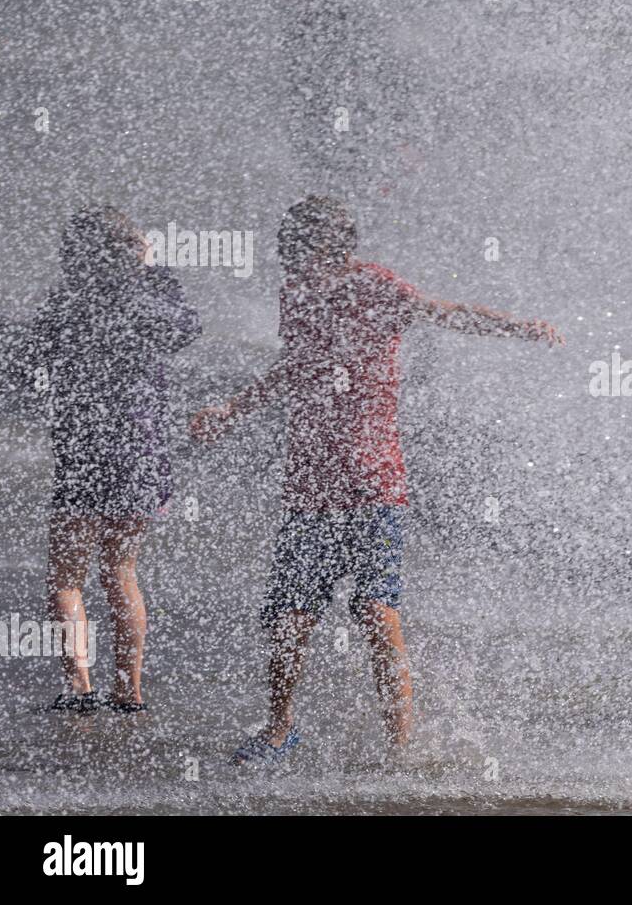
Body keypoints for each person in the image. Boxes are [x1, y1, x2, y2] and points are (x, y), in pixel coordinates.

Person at [190, 195, 562, 764]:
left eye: (301, 253)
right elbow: (296, 365)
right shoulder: (295, 295)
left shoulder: (376, 287)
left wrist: (522, 328)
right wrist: (234, 409)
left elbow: (446, 312)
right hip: (309, 485)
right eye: (289, 254)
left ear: (334, 250)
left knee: (374, 611)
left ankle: (399, 746)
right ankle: (279, 728)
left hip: (374, 483)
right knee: (291, 612)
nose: (293, 265)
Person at [31, 205, 202, 714]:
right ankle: (129, 690)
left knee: (66, 576)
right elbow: (185, 330)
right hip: (139, 452)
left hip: (83, 448)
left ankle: (79, 687)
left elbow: (38, 352)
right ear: (130, 250)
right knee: (120, 572)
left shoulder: (66, 299)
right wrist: (147, 271)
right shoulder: (151, 293)